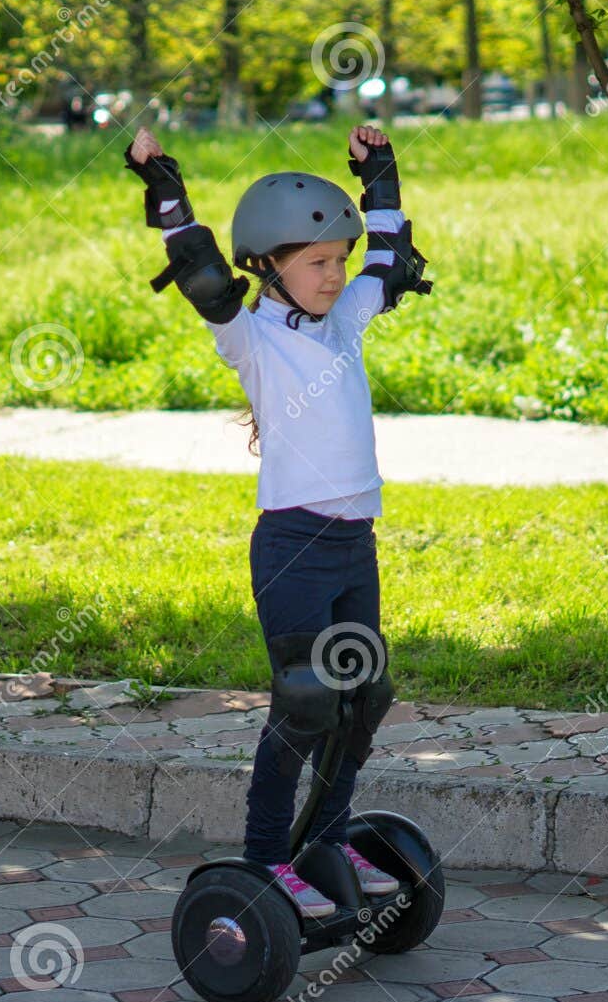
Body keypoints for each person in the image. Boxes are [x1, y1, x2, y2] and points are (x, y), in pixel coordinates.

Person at [124, 122, 433, 921]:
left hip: (354, 544)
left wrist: (381, 177)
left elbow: (388, 259)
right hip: (294, 546)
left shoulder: (346, 320)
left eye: (337, 260)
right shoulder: (253, 338)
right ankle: (267, 857)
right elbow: (200, 272)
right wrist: (165, 188)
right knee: (305, 701)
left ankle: (327, 839)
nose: (335, 275)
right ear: (268, 265)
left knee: (362, 696)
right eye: (317, 263)